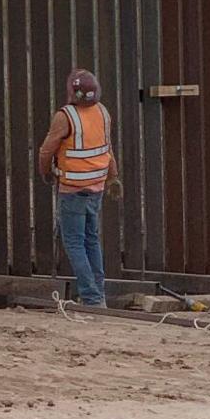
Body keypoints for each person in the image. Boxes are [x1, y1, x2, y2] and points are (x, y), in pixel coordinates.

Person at [37, 66, 120, 308]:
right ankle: (98, 294)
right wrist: (113, 176)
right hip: (96, 188)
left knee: (74, 242)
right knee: (91, 240)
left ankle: (91, 298)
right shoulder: (102, 112)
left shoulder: (66, 116)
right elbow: (107, 147)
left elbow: (46, 150)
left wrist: (45, 172)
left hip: (73, 189)